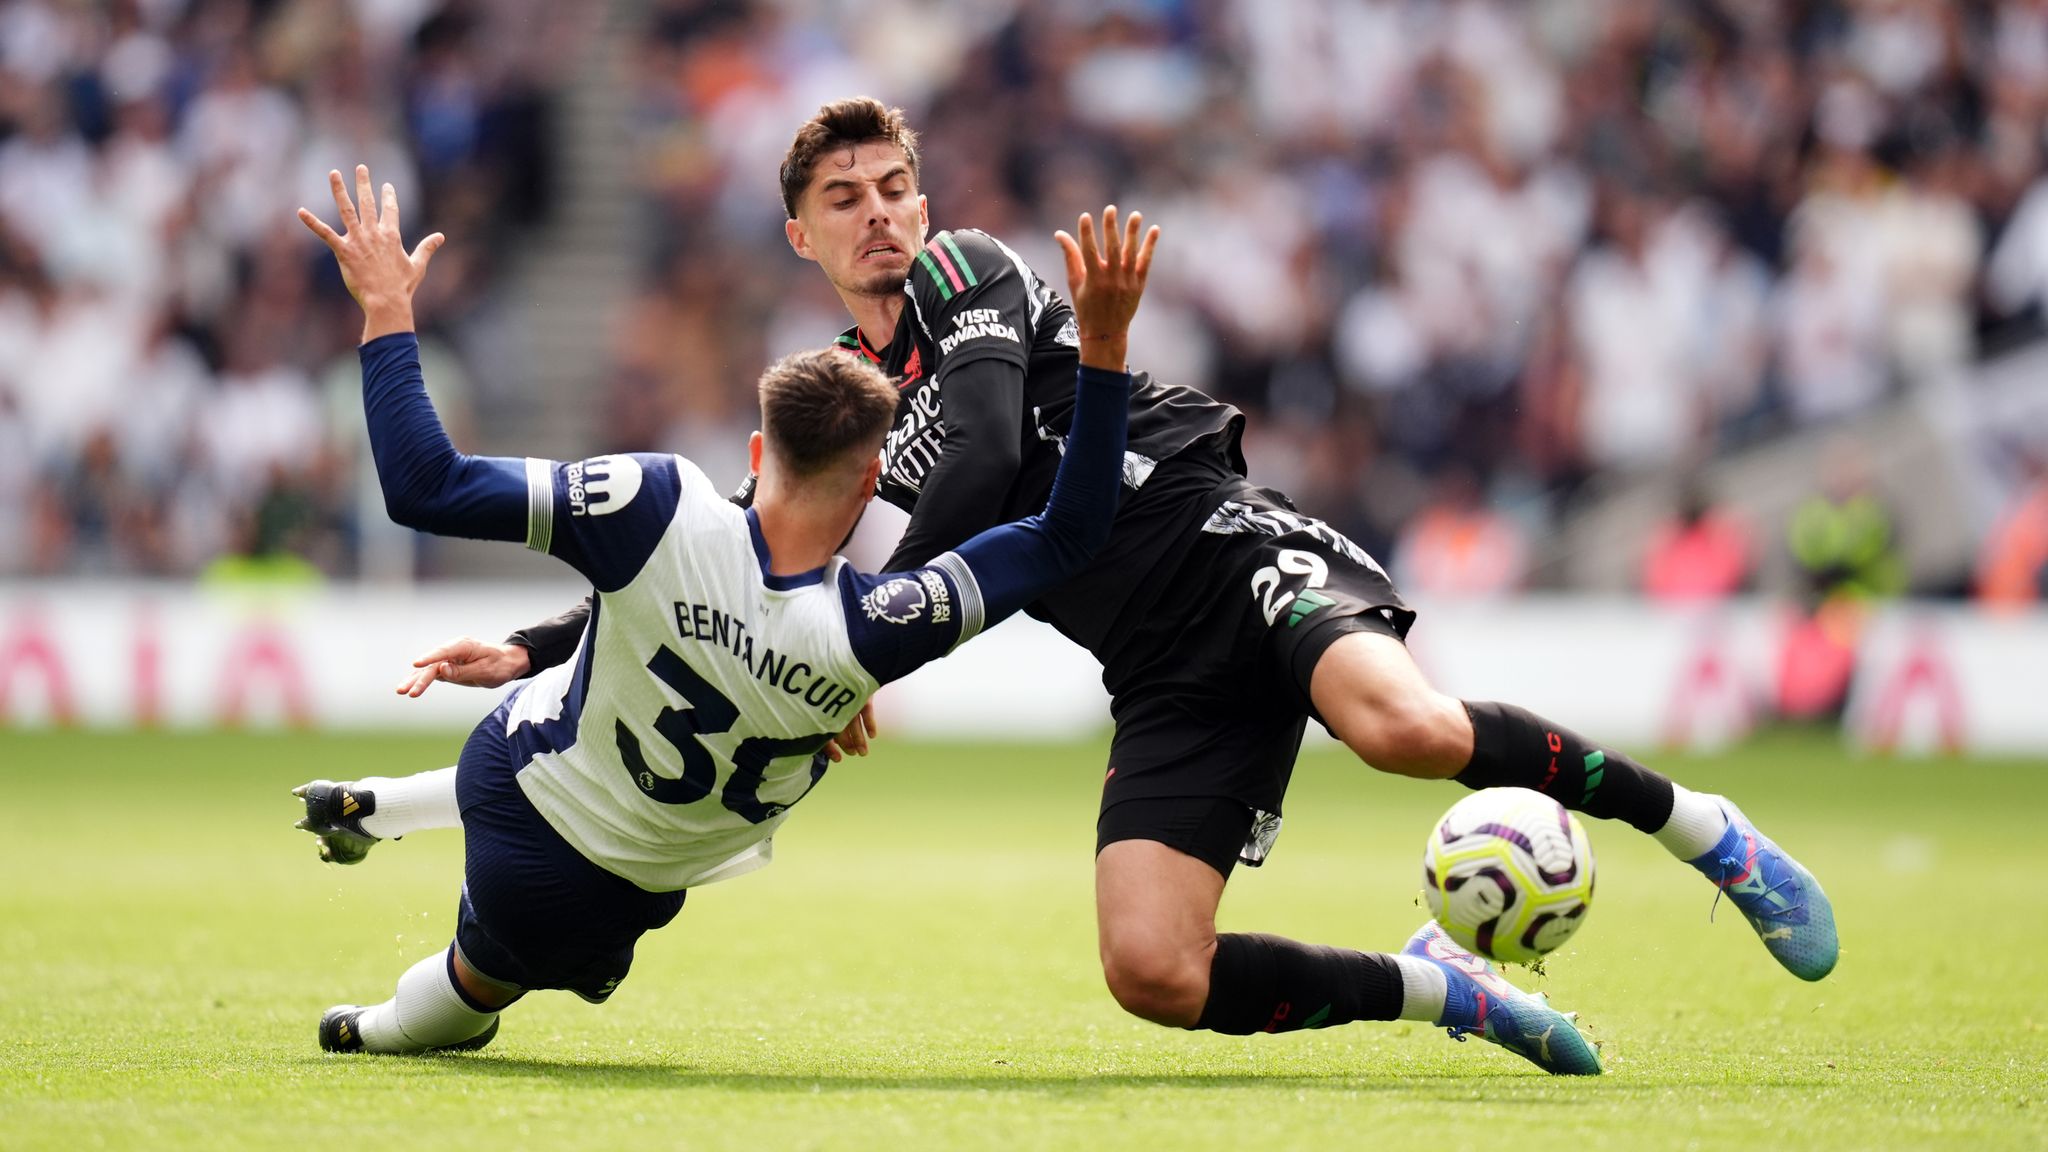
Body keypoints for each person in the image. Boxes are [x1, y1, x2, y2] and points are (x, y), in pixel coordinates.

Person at [408, 99, 1839, 1072]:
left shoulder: (973, 275)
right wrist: (545, 644)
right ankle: (1442, 988)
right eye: (844, 201)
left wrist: (845, 649)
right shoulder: (837, 393)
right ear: (801, 237)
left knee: (1402, 729)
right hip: (1151, 670)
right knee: (1153, 973)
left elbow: (970, 455)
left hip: (1229, 548)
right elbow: (724, 557)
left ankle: (1708, 830)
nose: (882, 216)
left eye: (895, 186)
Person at [290, 164, 1153, 1054]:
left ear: (755, 447)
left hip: (515, 779)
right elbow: (1068, 532)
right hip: (619, 892)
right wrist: (1104, 350)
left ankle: (382, 812)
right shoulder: (868, 634)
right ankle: (373, 1005)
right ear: (871, 483)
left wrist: (387, 309)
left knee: (602, 681)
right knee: (478, 983)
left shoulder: (655, 506)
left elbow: (427, 485)